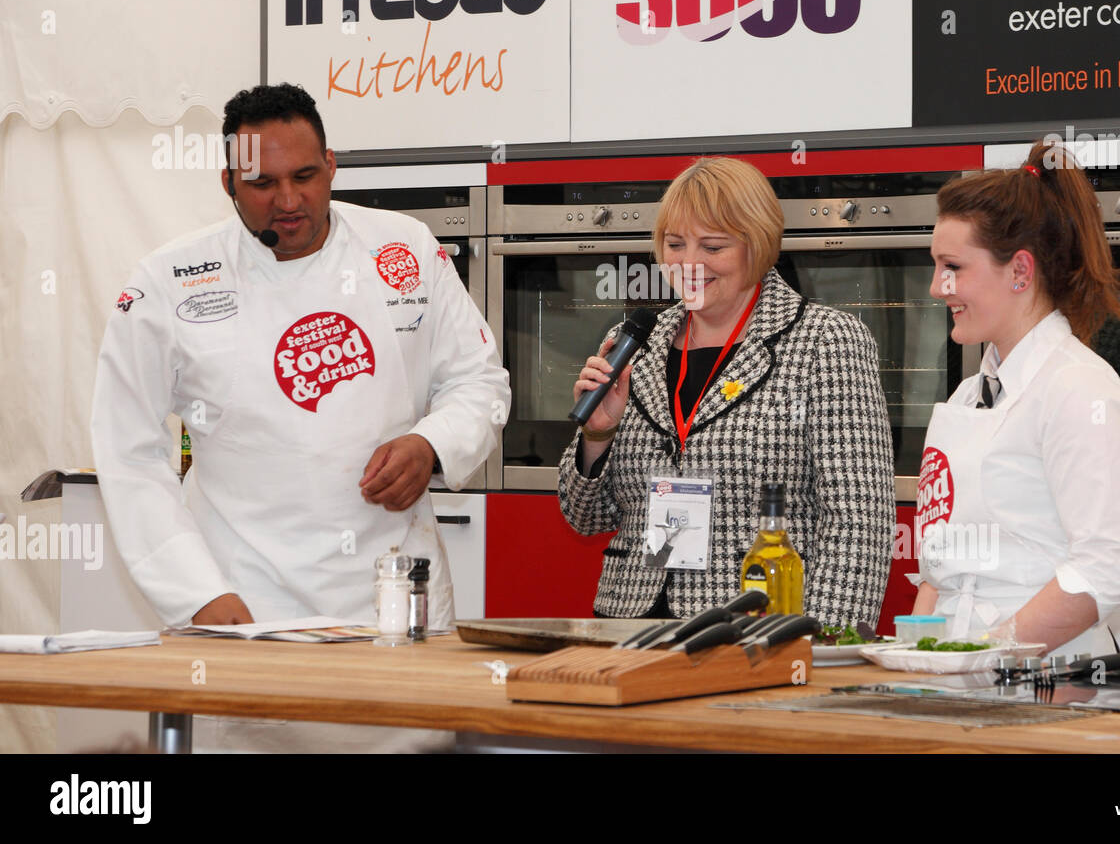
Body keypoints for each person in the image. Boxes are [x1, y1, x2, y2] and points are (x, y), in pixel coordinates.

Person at [91, 83, 509, 633]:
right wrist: (195, 592)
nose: (287, 201)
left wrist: (431, 444)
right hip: (242, 597)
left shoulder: (402, 247)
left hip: (389, 592)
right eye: (262, 184)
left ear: (331, 166)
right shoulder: (168, 281)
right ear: (228, 183)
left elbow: (477, 379)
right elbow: (128, 451)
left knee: (403, 718)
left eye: (304, 177)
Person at [558, 156, 894, 629]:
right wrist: (598, 436)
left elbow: (858, 524)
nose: (688, 263)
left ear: (755, 245)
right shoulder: (632, 344)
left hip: (755, 628)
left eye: (712, 246)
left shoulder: (825, 341)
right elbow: (584, 518)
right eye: (674, 244)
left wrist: (815, 648)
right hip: (629, 625)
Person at [911, 139, 1120, 657]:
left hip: (1044, 677)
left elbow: (1104, 568)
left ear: (1019, 270)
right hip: (955, 673)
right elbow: (941, 570)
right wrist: (915, 657)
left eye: (953, 266)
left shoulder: (1079, 389)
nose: (936, 287)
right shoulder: (971, 394)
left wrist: (990, 654)